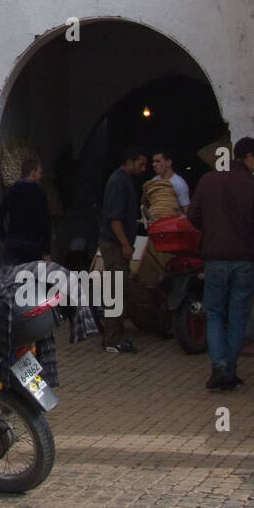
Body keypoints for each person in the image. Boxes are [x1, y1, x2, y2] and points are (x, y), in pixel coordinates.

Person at [188, 136, 254, 390]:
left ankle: (219, 366)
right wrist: (246, 235)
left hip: (214, 257)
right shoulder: (253, 184)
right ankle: (231, 369)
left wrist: (213, 231)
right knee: (238, 315)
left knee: (213, 313)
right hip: (245, 258)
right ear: (248, 157)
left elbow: (193, 215)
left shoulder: (209, 180)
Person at [98, 147, 147, 354]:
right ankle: (112, 340)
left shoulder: (125, 180)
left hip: (117, 243)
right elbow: (114, 219)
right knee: (116, 292)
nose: (144, 169)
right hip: (115, 245)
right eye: (141, 164)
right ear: (130, 161)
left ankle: (114, 336)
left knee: (119, 290)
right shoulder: (119, 181)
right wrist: (125, 244)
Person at [0, 157, 50, 265]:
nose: (41, 176)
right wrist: (46, 251)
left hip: (13, 243)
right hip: (32, 245)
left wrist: (4, 239)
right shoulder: (40, 194)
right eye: (39, 173)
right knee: (30, 279)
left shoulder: (12, 192)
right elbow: (45, 224)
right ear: (32, 172)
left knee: (13, 279)